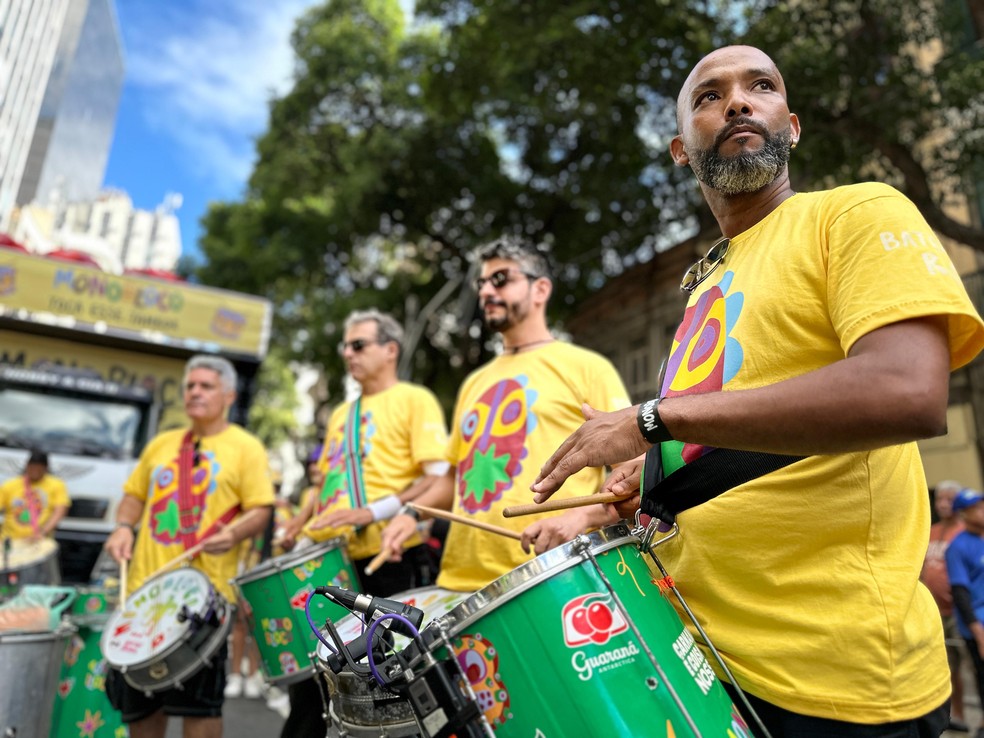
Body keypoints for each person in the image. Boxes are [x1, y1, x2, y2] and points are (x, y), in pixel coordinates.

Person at [531, 45, 984, 736]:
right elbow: (739, 435)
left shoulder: (854, 213)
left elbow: (906, 389)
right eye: (709, 96)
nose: (738, 101)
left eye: (760, 86)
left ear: (791, 125)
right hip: (701, 657)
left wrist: (653, 420)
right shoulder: (705, 284)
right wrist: (636, 484)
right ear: (682, 151)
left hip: (833, 685)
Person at [380, 236, 631, 593]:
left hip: (551, 576)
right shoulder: (474, 383)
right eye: (481, 283)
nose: (485, 291)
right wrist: (411, 512)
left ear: (540, 289)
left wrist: (581, 516)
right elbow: (453, 479)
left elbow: (632, 472)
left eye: (500, 279)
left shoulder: (588, 368)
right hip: (458, 583)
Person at [276, 309, 450, 738]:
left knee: (384, 688)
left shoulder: (414, 399)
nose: (347, 354)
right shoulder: (340, 415)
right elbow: (327, 483)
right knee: (314, 681)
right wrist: (299, 523)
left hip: (386, 559)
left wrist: (373, 513)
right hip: (330, 562)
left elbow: (437, 478)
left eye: (358, 345)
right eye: (344, 347)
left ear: (390, 350)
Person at [103, 355, 275, 738]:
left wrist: (233, 534)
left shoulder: (245, 448)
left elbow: (261, 508)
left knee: (199, 712)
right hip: (144, 596)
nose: (195, 392)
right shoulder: (162, 444)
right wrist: (123, 528)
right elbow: (133, 496)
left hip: (202, 602)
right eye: (190, 386)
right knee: (140, 714)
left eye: (206, 386)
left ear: (228, 395)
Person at [923, 481, 969, 732]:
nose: (942, 504)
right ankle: (957, 715)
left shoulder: (967, 532)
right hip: (937, 613)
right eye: (939, 498)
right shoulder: (931, 531)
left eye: (948, 499)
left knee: (974, 666)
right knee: (950, 668)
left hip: (962, 612)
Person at [946, 488, 984, 738]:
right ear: (963, 514)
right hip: (978, 625)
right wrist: (979, 634)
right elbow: (960, 595)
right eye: (977, 508)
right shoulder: (957, 547)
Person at [0, 449, 70, 541]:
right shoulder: (10, 485)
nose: (35, 472)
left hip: (39, 541)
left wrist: (43, 532)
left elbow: (60, 511)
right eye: (32, 468)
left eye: (39, 469)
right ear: (27, 466)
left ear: (46, 469)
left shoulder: (56, 485)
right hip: (10, 540)